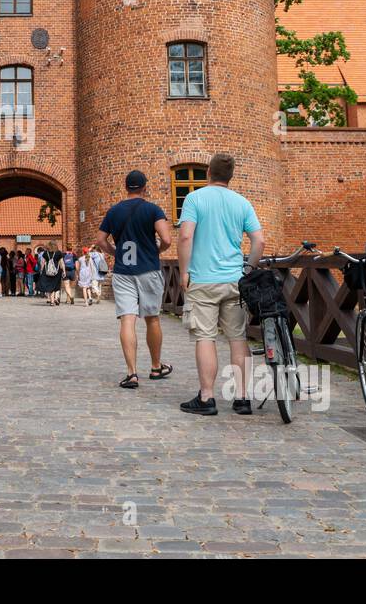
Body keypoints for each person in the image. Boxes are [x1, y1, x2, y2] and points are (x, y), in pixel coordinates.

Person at [177, 152, 264, 417]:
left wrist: (184, 272)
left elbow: (185, 236)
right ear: (230, 176)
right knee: (237, 338)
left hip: (203, 280)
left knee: (205, 336)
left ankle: (207, 398)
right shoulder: (242, 202)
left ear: (209, 174)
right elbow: (259, 241)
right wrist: (247, 268)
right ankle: (242, 398)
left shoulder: (194, 198)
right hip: (234, 280)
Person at [96, 170, 173, 388]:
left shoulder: (114, 211)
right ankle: (156, 367)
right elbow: (166, 238)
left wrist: (114, 252)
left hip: (123, 271)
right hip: (148, 269)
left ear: (126, 187)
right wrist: (157, 249)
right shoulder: (152, 209)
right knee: (152, 318)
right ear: (144, 187)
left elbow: (101, 239)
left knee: (127, 320)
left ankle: (131, 373)